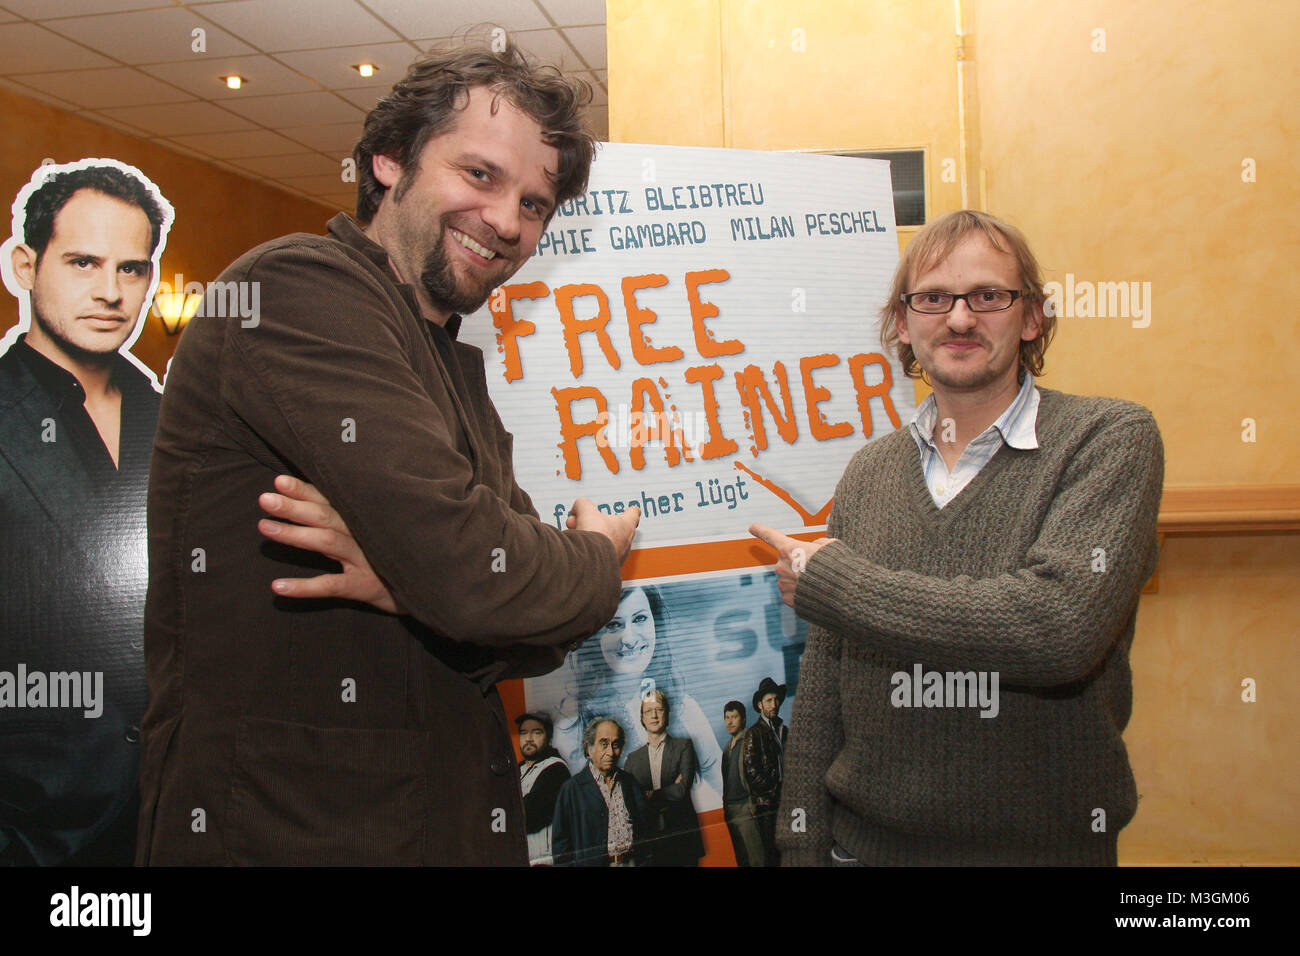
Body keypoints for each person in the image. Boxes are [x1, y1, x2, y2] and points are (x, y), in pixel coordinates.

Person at [137, 41, 639, 866]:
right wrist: (593, 556)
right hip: (290, 832)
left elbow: (511, 613)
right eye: (480, 175)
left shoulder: (449, 360)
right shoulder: (296, 289)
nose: (509, 222)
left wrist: (418, 584)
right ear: (388, 159)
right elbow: (482, 577)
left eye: (536, 204)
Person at [751, 209, 1164, 865]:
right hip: (862, 851)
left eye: (989, 296)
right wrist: (799, 840)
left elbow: (1057, 628)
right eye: (934, 298)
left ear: (1032, 318)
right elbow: (826, 677)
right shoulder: (869, 471)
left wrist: (840, 584)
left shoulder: (1109, 440)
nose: (961, 319)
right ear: (903, 325)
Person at [0, 161, 171, 866]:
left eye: (132, 269)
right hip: (33, 833)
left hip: (173, 821)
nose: (110, 292)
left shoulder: (183, 425)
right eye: (83, 262)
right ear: (24, 264)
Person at [551, 585, 724, 806]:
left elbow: (722, 787)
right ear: (593, 636)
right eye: (614, 625)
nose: (629, 639)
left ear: (655, 623)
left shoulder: (683, 706)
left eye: (640, 618)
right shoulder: (572, 722)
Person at [551, 717, 651, 866]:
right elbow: (561, 848)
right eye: (604, 744)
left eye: (615, 745)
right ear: (589, 749)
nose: (610, 752)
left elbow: (645, 832)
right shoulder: (572, 789)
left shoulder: (630, 783)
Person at [622, 689, 704, 866]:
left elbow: (681, 791)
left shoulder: (684, 746)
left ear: (667, 714)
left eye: (659, 709)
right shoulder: (633, 759)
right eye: (648, 711)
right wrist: (668, 790)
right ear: (642, 718)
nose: (654, 715)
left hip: (682, 837)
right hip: (650, 839)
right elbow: (629, 800)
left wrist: (649, 795)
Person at [741, 676, 787, 866]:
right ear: (760, 705)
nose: (774, 704)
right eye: (768, 701)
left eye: (776, 699)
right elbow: (752, 774)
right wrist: (777, 790)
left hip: (786, 803)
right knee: (772, 856)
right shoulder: (754, 733)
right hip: (767, 805)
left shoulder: (784, 730)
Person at [516, 711, 569, 866]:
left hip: (545, 861)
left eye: (536, 732)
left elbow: (531, 814)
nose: (529, 739)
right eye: (523, 733)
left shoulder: (556, 769)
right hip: (521, 858)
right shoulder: (518, 770)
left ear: (550, 739)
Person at [719, 700, 765, 867]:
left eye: (734, 717)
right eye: (727, 717)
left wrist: (753, 801)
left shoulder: (749, 740)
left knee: (756, 857)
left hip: (745, 806)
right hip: (731, 809)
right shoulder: (726, 748)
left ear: (743, 719)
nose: (730, 721)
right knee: (741, 858)